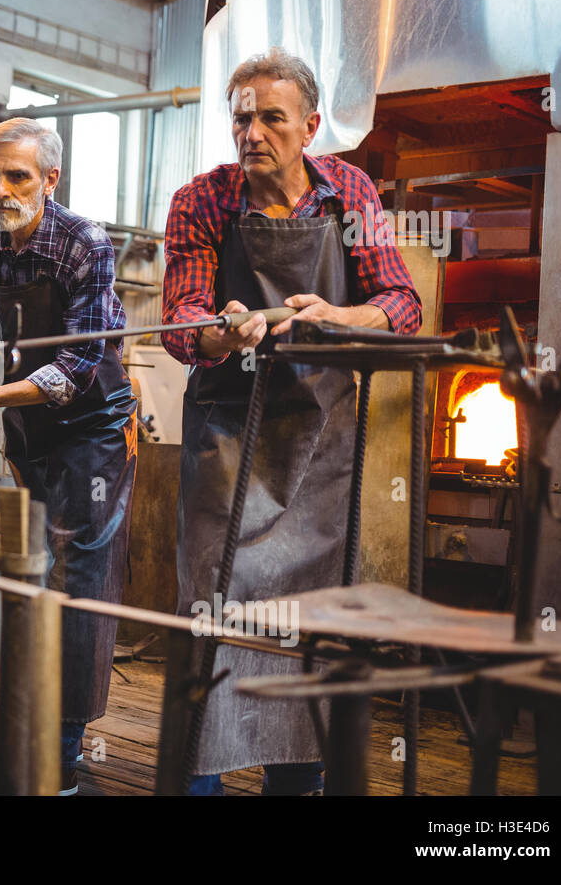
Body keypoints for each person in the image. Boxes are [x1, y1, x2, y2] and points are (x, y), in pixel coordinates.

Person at [161, 47, 422, 795]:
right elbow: (182, 323)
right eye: (241, 117)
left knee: (307, 627)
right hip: (228, 443)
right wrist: (220, 328)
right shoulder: (202, 201)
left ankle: (295, 782)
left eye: (271, 118)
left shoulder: (350, 193)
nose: (252, 133)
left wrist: (342, 315)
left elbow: (402, 305)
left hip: (320, 451)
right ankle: (196, 781)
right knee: (213, 612)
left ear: (309, 126)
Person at [0, 118, 137, 796]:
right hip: (29, 422)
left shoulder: (85, 242)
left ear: (50, 179)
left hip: (94, 424)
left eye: (17, 176)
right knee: (32, 568)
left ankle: (63, 759)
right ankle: (20, 728)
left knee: (78, 579)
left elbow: (77, 364)